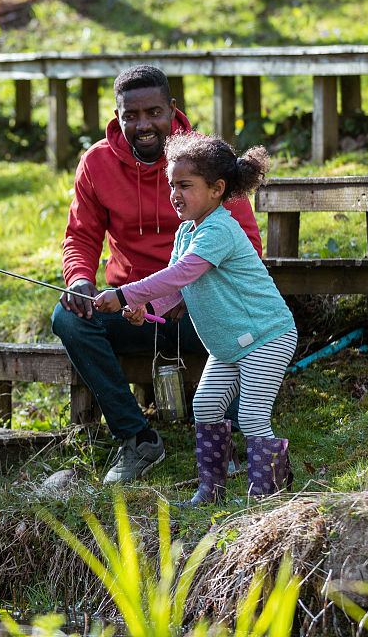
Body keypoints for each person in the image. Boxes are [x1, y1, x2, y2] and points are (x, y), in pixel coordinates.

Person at [52, 64, 263, 484]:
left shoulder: (208, 158)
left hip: (201, 309)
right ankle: (137, 440)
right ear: (118, 115)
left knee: (248, 321)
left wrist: (190, 293)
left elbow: (248, 245)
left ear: (172, 110)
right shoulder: (96, 164)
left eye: (153, 113)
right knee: (68, 319)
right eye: (131, 115)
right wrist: (80, 281)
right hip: (134, 309)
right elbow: (80, 237)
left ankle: (240, 440)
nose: (143, 125)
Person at [95, 131, 297, 503]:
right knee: (204, 406)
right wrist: (146, 308)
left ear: (217, 189)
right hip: (228, 343)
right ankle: (211, 490)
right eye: (172, 185)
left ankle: (269, 498)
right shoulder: (187, 231)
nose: (174, 195)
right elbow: (176, 289)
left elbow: (182, 273)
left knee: (252, 417)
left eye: (185, 185)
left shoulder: (219, 229)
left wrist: (125, 293)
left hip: (267, 335)